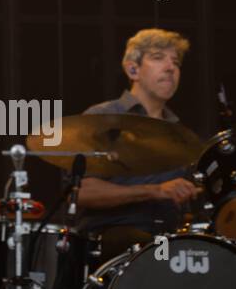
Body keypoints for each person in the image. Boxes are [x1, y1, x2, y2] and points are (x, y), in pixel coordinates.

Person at [73, 28, 203, 259]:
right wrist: (155, 191)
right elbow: (81, 192)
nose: (170, 67)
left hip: (167, 242)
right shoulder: (103, 117)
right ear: (133, 69)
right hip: (111, 243)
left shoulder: (181, 135)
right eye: (158, 58)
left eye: (175, 61)